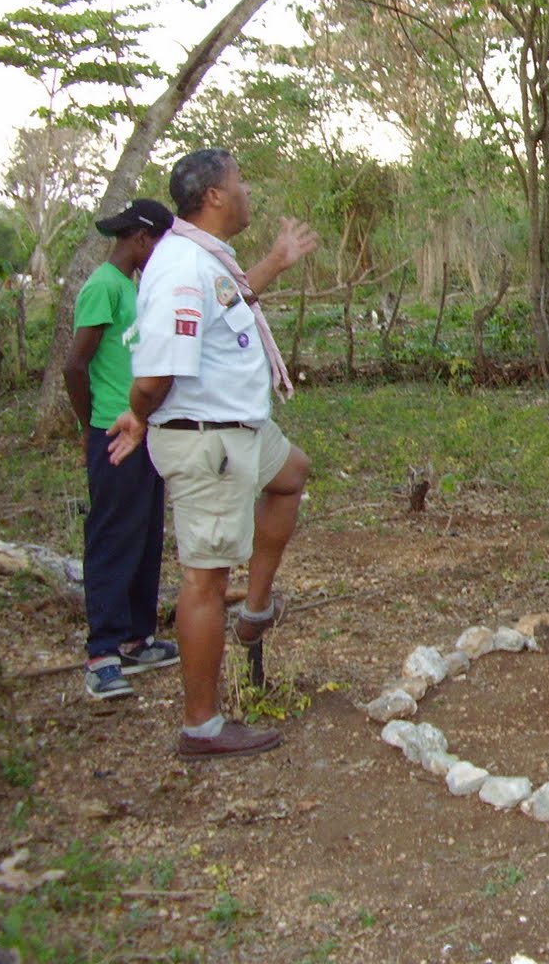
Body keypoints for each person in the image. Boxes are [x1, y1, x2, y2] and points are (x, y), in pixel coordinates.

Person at [108, 148, 319, 759]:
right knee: (203, 578)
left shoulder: (206, 260)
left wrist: (277, 261)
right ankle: (201, 726)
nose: (247, 189)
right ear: (215, 197)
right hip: (209, 441)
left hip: (243, 428)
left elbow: (232, 303)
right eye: (240, 181)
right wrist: (140, 414)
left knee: (292, 474)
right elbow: (157, 374)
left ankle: (255, 609)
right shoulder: (178, 268)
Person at [64, 198, 179, 700]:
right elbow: (75, 365)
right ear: (140, 238)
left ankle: (138, 636)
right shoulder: (102, 288)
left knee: (146, 533)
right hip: (114, 433)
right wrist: (90, 425)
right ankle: (102, 654)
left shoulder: (134, 289)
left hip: (144, 427)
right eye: (157, 244)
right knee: (112, 537)